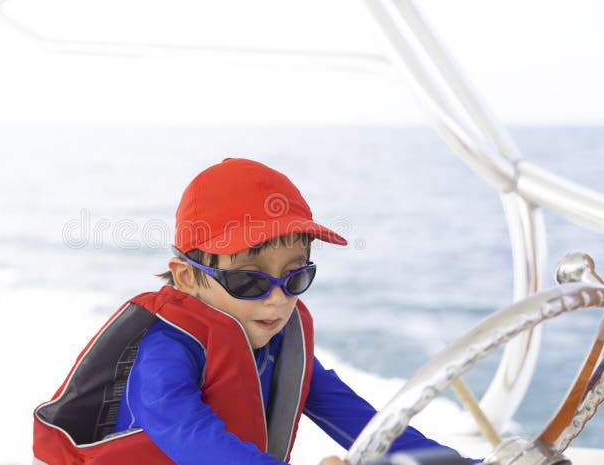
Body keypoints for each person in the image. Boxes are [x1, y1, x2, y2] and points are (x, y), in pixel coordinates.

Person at [33, 158, 471, 465]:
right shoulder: (162, 351)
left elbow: (359, 421)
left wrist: (458, 463)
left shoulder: (281, 344)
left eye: (296, 277)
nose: (278, 300)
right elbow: (189, 436)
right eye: (250, 280)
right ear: (186, 277)